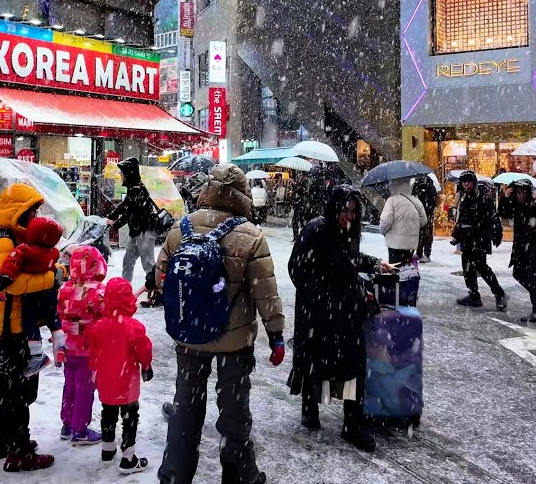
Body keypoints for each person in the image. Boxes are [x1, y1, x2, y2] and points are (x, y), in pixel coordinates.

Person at [155, 164, 286, 484]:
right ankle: (240, 475)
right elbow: (264, 292)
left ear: (207, 189)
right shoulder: (251, 236)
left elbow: (162, 281)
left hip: (190, 336)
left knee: (186, 406)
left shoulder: (181, 228)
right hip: (235, 342)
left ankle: (175, 474)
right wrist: (276, 335)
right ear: (242, 194)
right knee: (233, 412)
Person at [289, 185, 394, 452]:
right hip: (318, 314)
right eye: (345, 210)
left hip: (345, 312)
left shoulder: (347, 233)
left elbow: (349, 260)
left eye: (353, 212)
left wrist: (373, 264)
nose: (349, 216)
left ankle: (352, 423)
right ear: (334, 208)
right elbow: (297, 269)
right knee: (315, 361)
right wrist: (323, 297)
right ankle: (310, 407)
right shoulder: (316, 230)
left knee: (352, 365)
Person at [0, 183, 60, 472]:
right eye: (32, 211)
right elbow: (11, 283)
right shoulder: (3, 241)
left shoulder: (13, 238)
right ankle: (19, 452)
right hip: (11, 326)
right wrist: (53, 278)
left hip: (15, 324)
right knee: (18, 393)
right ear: (18, 212)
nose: (36, 216)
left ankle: (6, 442)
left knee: (12, 390)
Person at [87, 278, 155, 474]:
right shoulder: (134, 327)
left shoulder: (98, 327)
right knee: (129, 417)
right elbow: (144, 350)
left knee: (108, 412)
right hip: (127, 381)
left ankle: (107, 449)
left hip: (105, 379)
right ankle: (128, 458)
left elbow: (93, 351)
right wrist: (146, 365)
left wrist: (94, 371)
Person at [0, 216, 64, 375]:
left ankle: (37, 355)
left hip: (32, 295)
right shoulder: (54, 252)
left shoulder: (24, 250)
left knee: (30, 323)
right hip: (50, 294)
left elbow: (10, 267)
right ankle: (60, 341)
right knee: (53, 316)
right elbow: (52, 268)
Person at [56, 244, 108, 446]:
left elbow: (58, 314)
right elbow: (106, 317)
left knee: (69, 386)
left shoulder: (64, 289)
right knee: (85, 389)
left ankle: (67, 424)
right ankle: (80, 429)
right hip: (89, 350)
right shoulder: (100, 292)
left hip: (68, 347)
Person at [499, 180, 536, 322]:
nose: (521, 196)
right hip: (521, 246)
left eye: (523, 192)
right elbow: (503, 212)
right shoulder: (516, 204)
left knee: (533, 277)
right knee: (518, 273)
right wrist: (505, 196)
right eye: (518, 193)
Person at [452, 171, 507, 311]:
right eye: (464, 182)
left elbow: (493, 217)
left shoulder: (483, 198)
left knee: (482, 268)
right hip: (468, 239)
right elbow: (461, 220)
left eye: (469, 181)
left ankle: (499, 293)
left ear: (474, 182)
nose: (466, 184)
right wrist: (457, 235)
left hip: (480, 238)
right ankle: (474, 294)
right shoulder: (465, 198)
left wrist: (496, 234)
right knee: (467, 267)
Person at [110, 157, 159, 283]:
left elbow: (129, 211)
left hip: (144, 231)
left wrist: (115, 224)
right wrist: (111, 216)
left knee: (148, 264)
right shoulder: (133, 188)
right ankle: (124, 289)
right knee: (128, 261)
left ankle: (156, 291)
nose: (120, 175)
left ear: (128, 173)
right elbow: (124, 206)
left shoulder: (138, 189)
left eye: (122, 172)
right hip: (137, 231)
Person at [380, 177, 427, 266]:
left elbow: (386, 220)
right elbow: (424, 220)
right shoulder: (415, 200)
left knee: (395, 268)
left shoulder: (392, 200)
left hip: (395, 242)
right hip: (411, 243)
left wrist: (383, 231)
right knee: (406, 269)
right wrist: (412, 226)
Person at [412, 175, 438, 263]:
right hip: (427, 214)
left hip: (420, 214)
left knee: (421, 234)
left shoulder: (417, 186)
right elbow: (434, 201)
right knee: (426, 235)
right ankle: (425, 254)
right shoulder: (430, 187)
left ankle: (421, 253)